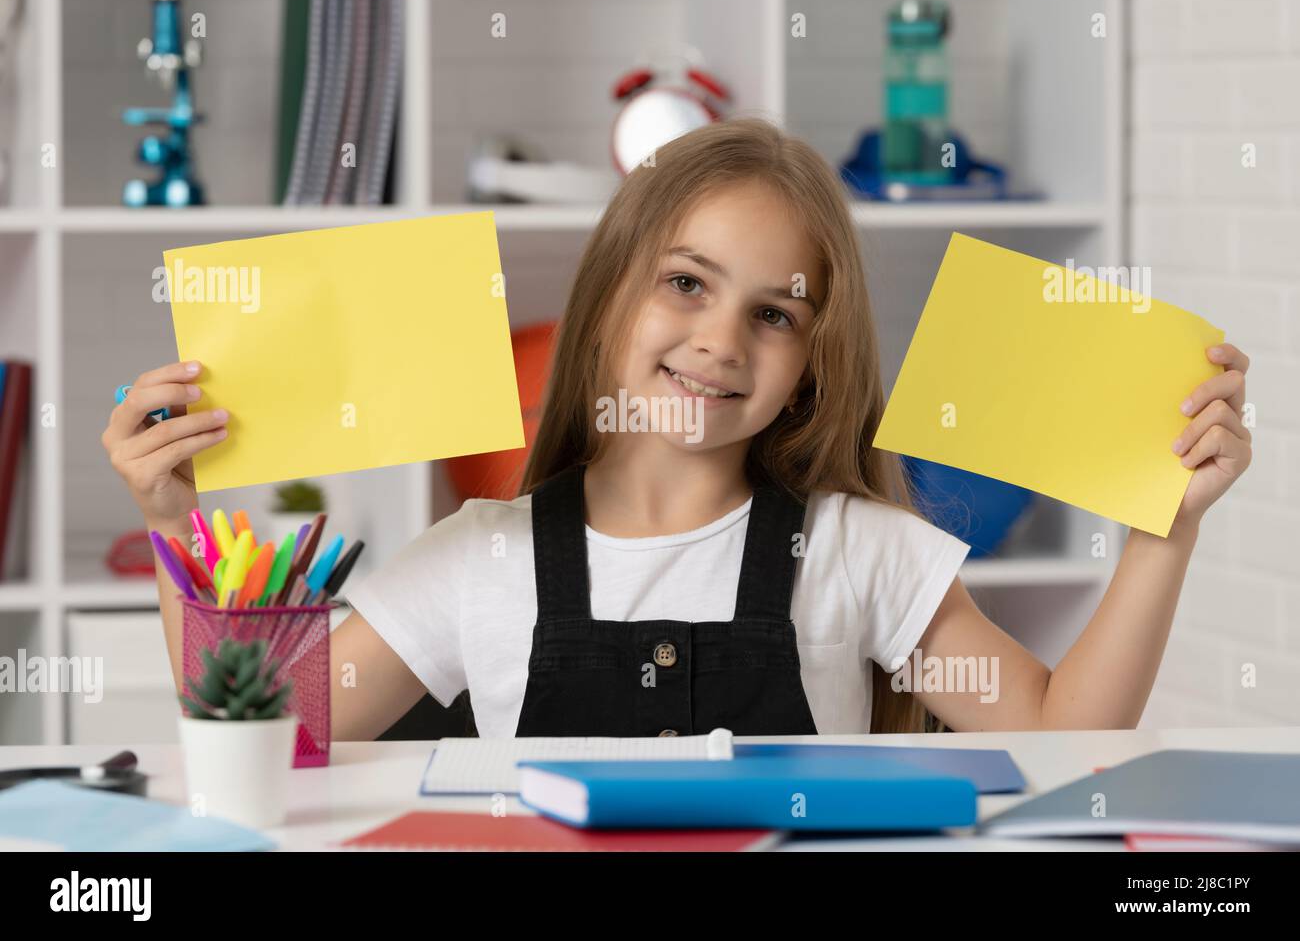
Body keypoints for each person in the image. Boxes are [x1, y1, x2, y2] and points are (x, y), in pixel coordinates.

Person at [102, 117, 1252, 740]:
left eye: (774, 313)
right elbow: (263, 721)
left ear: (809, 365)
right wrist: (173, 515)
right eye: (687, 283)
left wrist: (1166, 531)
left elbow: (1064, 733)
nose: (720, 342)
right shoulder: (477, 554)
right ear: (604, 297)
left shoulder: (859, 549)